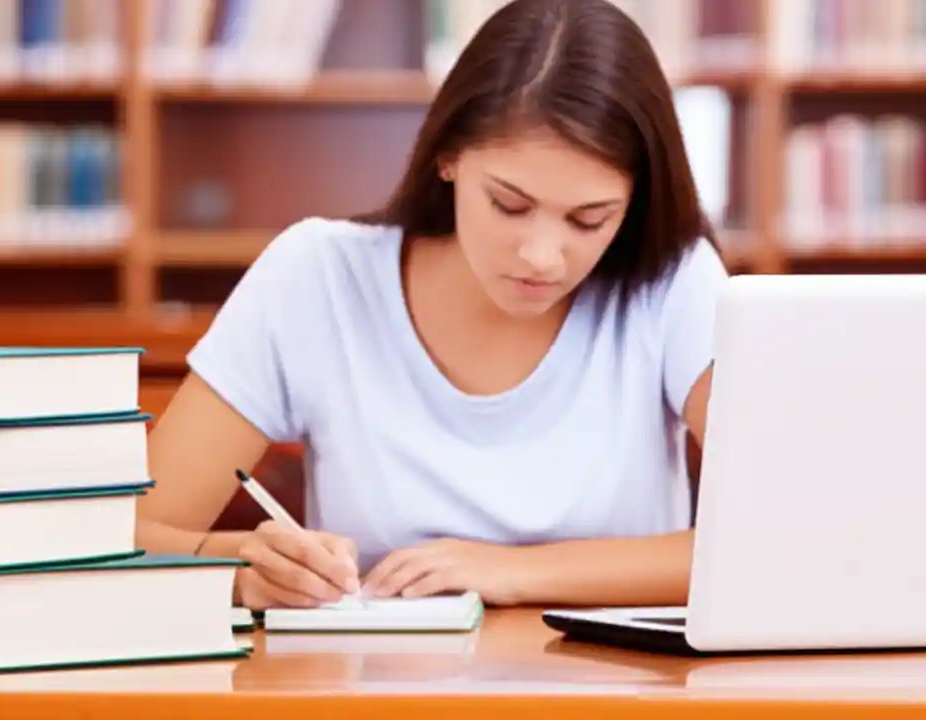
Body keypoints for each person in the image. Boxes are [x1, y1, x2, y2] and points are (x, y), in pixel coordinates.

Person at [137, 0, 729, 610]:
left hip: (622, 701)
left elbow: (780, 539)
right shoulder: (318, 278)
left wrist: (510, 572)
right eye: (509, 204)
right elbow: (130, 540)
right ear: (447, 155)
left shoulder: (673, 282)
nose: (542, 256)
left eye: (589, 219)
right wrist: (239, 569)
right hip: (378, 694)